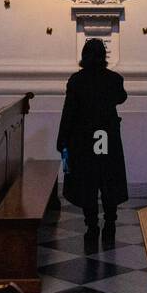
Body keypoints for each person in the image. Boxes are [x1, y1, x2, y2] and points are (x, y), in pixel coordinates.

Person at [56, 38, 129, 244]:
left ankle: (91, 226)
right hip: (106, 137)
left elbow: (68, 112)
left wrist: (62, 139)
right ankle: (110, 223)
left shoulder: (77, 80)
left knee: (88, 181)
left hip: (84, 139)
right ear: (103, 56)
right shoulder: (114, 79)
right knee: (108, 178)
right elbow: (121, 97)